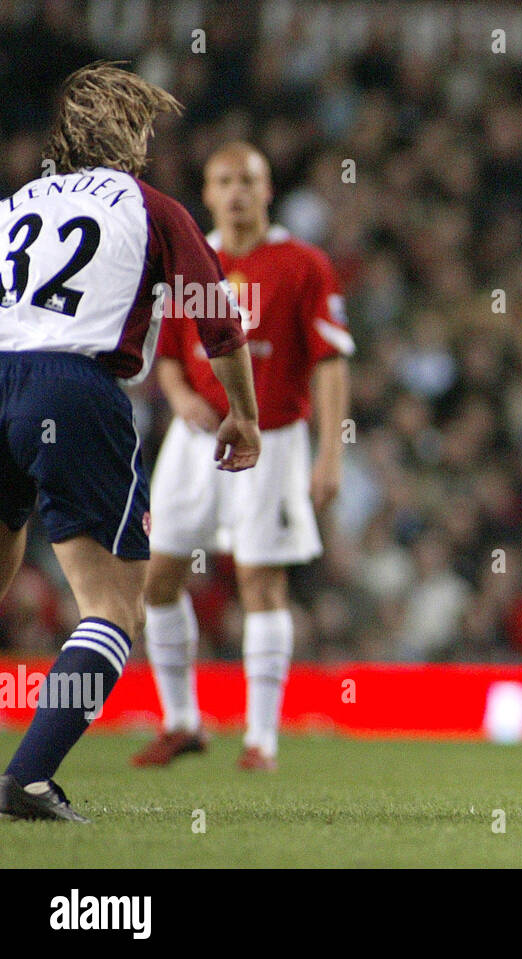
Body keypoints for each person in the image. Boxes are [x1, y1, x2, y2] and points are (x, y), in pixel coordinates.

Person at [0, 63, 259, 822]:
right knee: (115, 609)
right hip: (73, 389)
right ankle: (28, 777)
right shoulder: (150, 207)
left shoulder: (15, 203)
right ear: (130, 133)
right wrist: (242, 414)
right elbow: (217, 317)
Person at [130, 142, 353, 772]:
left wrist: (329, 453)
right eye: (223, 180)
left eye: (247, 181)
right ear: (206, 192)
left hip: (274, 439)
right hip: (195, 441)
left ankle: (261, 738)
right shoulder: (189, 261)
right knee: (157, 577)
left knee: (261, 581)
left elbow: (331, 361)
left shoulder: (303, 264)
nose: (236, 192)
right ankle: (182, 722)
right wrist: (179, 399)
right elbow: (168, 355)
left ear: (268, 190)